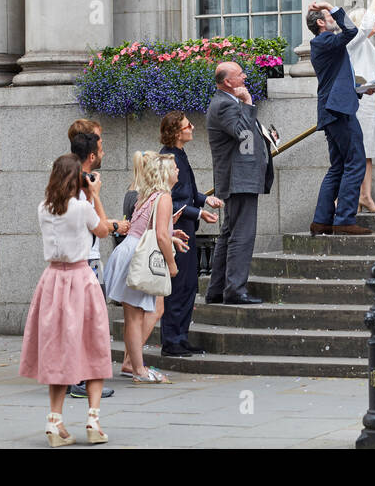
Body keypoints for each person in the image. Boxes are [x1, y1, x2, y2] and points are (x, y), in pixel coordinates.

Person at [20, 153, 115, 446]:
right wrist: (95, 194)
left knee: (57, 349)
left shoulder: (43, 208)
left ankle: (54, 420)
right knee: (94, 346)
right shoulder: (82, 208)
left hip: (52, 281)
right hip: (81, 279)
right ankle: (93, 420)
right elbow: (102, 228)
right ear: (77, 179)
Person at [102, 151, 182, 384]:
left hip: (127, 251)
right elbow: (160, 236)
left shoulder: (147, 195)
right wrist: (172, 264)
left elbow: (147, 228)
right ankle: (138, 369)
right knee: (135, 318)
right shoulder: (164, 197)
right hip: (138, 256)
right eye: (174, 167)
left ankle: (134, 366)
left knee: (132, 317)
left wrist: (170, 230)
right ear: (166, 173)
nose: (178, 171)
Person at [205, 60, 275, 304]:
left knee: (229, 234)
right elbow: (242, 133)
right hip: (239, 179)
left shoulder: (226, 103)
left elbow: (245, 134)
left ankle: (217, 290)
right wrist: (248, 103)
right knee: (242, 235)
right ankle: (235, 290)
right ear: (227, 82)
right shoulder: (225, 104)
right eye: (240, 74)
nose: (245, 77)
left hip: (239, 178)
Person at [67, 124, 127, 400]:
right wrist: (111, 219)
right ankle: (79, 379)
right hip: (86, 263)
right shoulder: (83, 186)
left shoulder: (65, 181)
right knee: (90, 321)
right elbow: (99, 227)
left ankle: (74, 377)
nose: (103, 152)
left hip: (71, 263)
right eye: (101, 148)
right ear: (91, 155)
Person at [307, 0, 373, 236]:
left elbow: (336, 77)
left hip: (331, 109)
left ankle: (322, 220)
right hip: (338, 111)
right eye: (329, 17)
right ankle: (344, 218)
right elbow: (352, 30)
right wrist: (328, 4)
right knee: (355, 162)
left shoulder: (323, 43)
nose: (333, 19)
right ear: (322, 23)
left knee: (337, 166)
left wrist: (360, 89)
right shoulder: (324, 39)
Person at [158, 112, 221, 358]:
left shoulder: (179, 155)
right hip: (178, 229)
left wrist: (206, 199)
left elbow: (190, 191)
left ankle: (180, 338)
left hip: (186, 227)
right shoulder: (169, 158)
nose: (192, 127)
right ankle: (172, 341)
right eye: (188, 125)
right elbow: (170, 199)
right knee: (179, 285)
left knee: (187, 285)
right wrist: (199, 213)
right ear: (176, 132)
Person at [347, 0, 375, 213]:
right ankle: (346, 199)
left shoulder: (373, 49)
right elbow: (363, 27)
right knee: (355, 152)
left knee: (369, 151)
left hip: (370, 103)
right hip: (356, 103)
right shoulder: (352, 44)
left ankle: (366, 196)